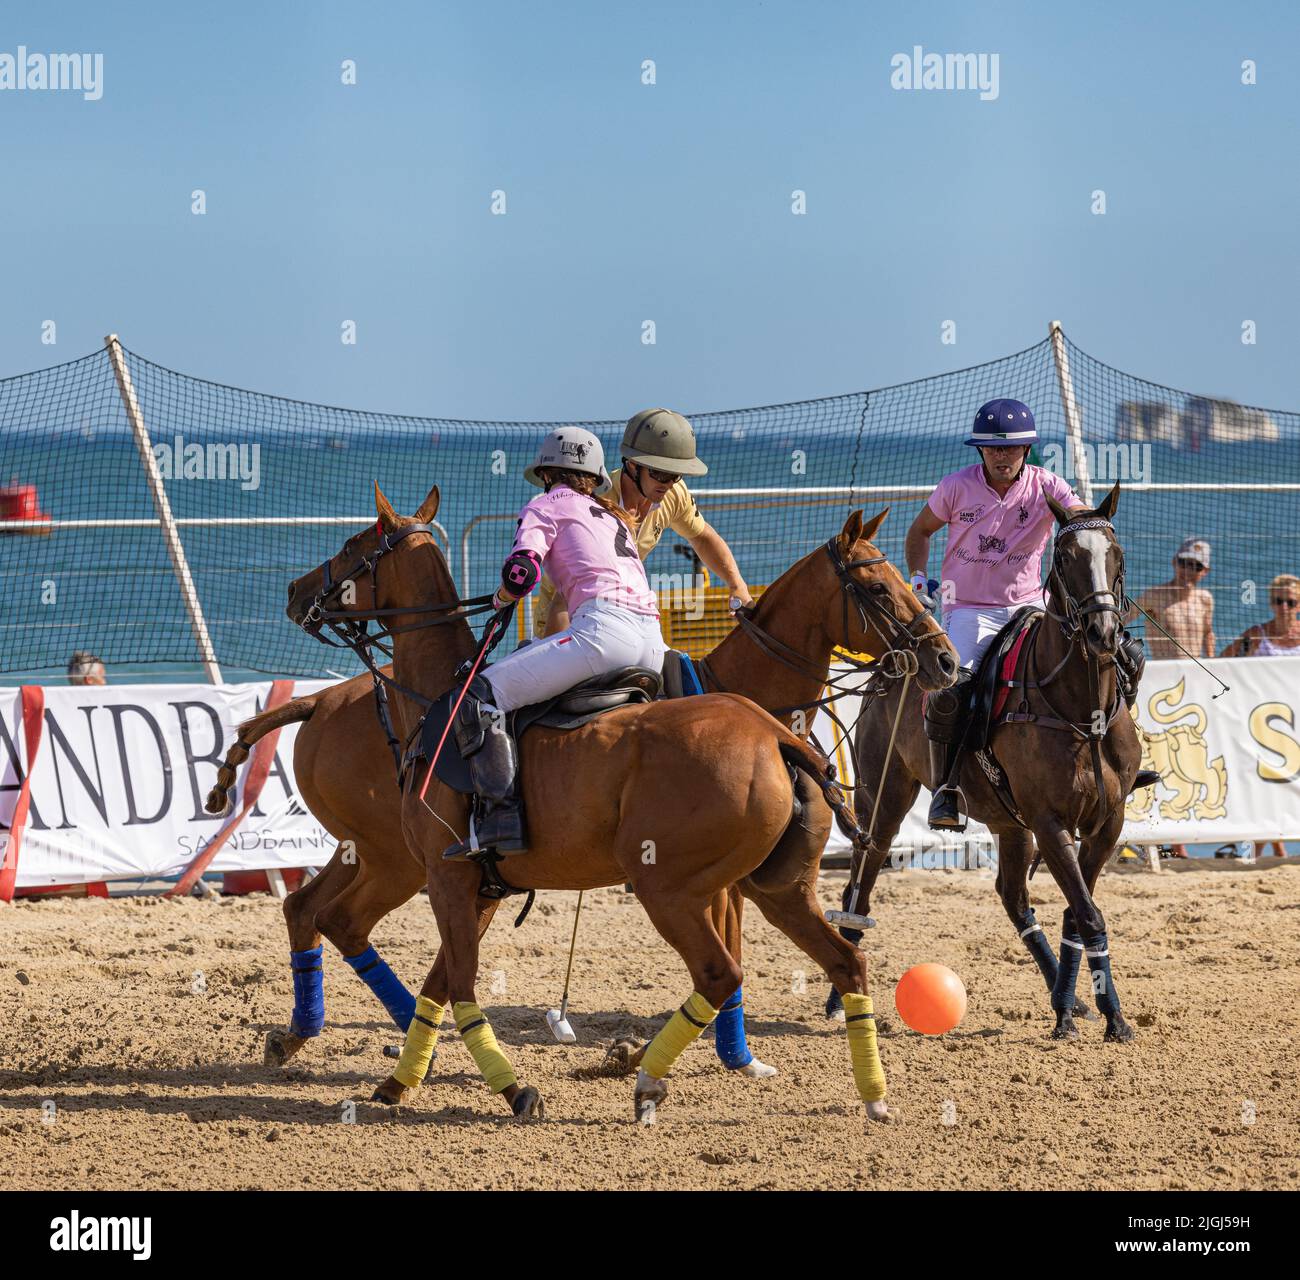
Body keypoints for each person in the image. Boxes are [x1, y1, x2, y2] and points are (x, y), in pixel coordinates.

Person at [445, 426, 666, 860]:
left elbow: (521, 574)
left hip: (604, 634)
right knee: (532, 655)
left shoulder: (545, 504)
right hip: (654, 644)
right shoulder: (610, 513)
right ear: (596, 474)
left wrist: (503, 596)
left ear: (546, 472)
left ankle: (500, 822)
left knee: (478, 697)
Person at [904, 398, 1104, 828]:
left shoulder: (1047, 484)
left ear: (1026, 450)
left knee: (1098, 661)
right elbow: (919, 532)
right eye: (992, 449)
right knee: (948, 693)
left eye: (1010, 449)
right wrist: (919, 580)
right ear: (980, 450)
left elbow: (1080, 516)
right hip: (970, 609)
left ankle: (1113, 767)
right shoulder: (956, 487)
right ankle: (948, 787)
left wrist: (1096, 524)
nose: (1001, 456)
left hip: (1030, 606)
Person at [535, 408, 752, 636]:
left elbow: (701, 536)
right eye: (660, 473)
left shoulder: (674, 494)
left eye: (676, 474)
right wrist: (556, 650)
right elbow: (563, 597)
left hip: (618, 617)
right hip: (562, 621)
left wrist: (737, 584)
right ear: (632, 465)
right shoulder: (593, 504)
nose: (668, 483)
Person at [1219, 571, 1300, 860]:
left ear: (1299, 604)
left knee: (1287, 787)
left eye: (1291, 602)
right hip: (1263, 722)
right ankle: (1272, 849)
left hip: (1296, 724)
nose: (1284, 608)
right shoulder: (1256, 635)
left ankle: (1265, 848)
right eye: (1279, 601)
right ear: (1270, 603)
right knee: (1267, 787)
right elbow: (1222, 665)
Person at [1128, 539, 1215, 658]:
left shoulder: (1205, 599)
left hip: (1196, 673)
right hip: (1166, 672)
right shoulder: (1154, 596)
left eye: (1197, 566)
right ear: (1174, 562)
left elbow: (1208, 633)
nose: (1189, 570)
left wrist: (1213, 662)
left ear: (1205, 571)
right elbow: (1118, 621)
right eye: (1184, 563)